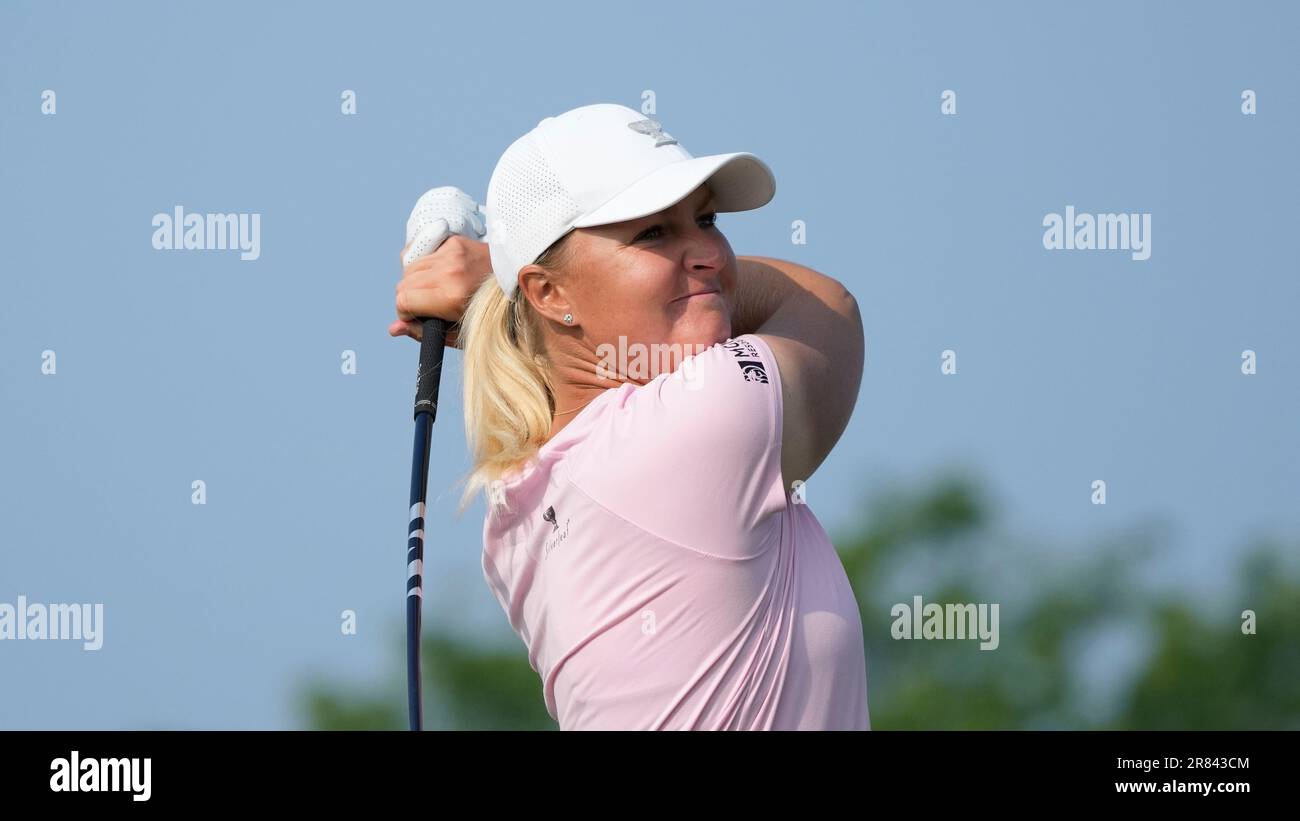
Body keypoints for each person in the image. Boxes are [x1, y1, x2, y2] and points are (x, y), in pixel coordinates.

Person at [389, 103, 868, 730]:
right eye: (653, 233)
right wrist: (494, 282)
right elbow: (826, 305)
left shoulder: (517, 505)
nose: (710, 254)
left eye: (706, 220)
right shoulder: (706, 418)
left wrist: (505, 297)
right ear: (550, 294)